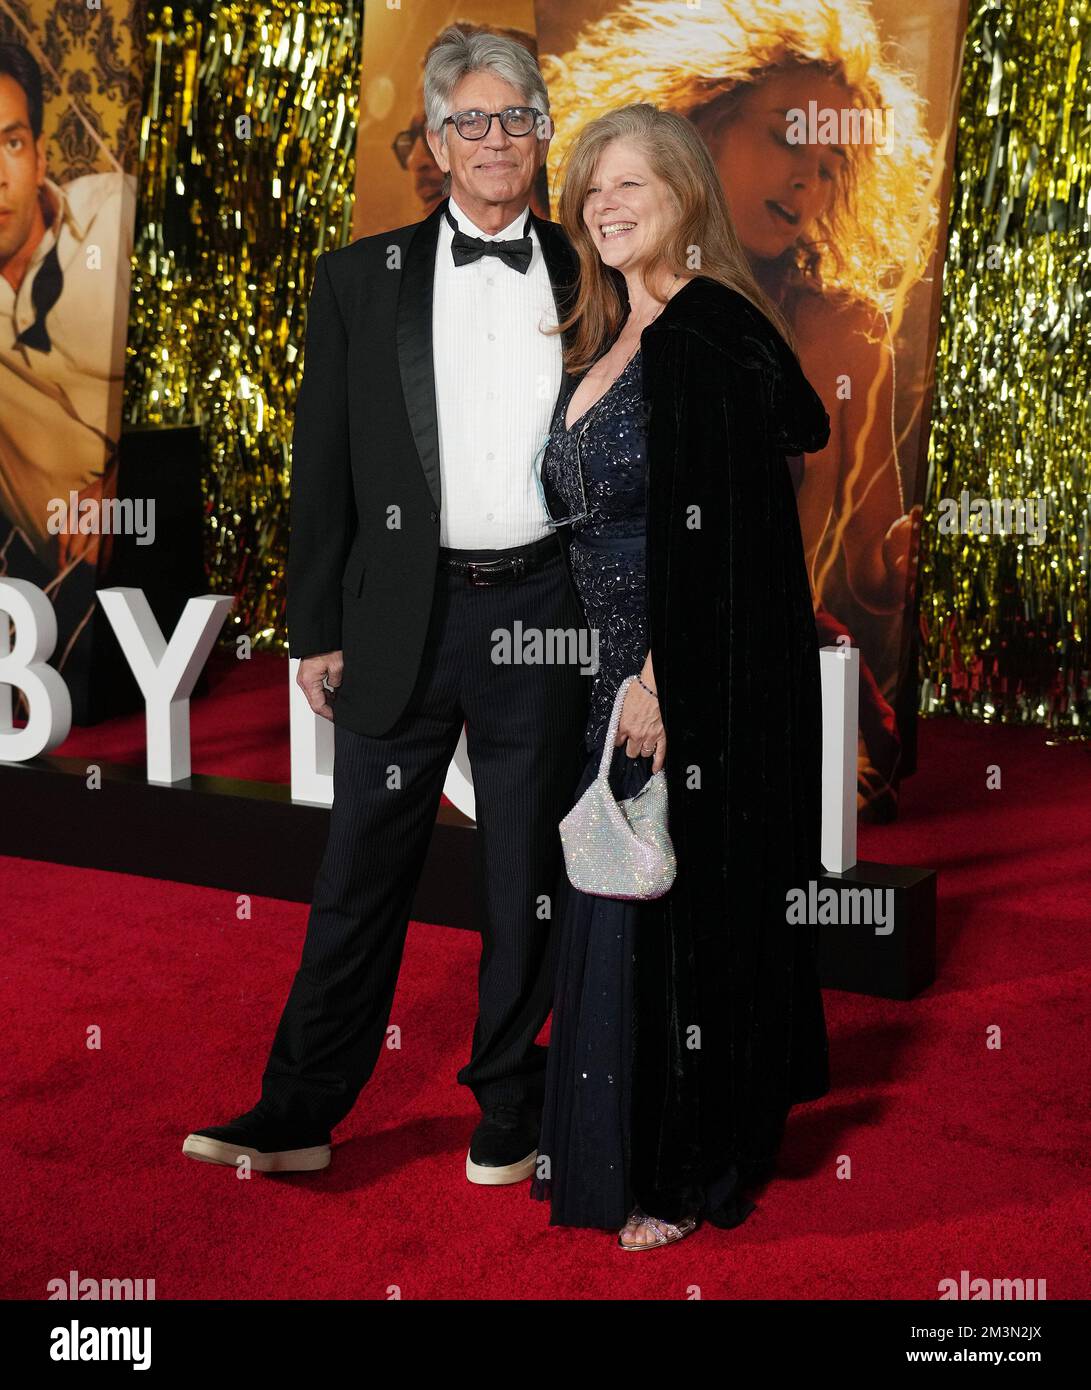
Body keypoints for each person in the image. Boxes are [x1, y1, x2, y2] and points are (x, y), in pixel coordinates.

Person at [184, 27, 588, 1184]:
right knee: (361, 869)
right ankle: (298, 1108)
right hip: (398, 616)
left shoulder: (590, 273)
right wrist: (315, 624)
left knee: (526, 873)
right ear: (435, 141)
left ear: (544, 131)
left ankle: (509, 1108)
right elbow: (322, 468)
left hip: (542, 616)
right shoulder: (360, 278)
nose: (496, 138)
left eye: (517, 116)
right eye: (472, 119)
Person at [528, 103, 831, 1248]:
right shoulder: (604, 338)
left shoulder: (704, 333)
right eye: (590, 193)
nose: (604, 208)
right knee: (621, 906)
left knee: (675, 922)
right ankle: (619, 1148)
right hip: (599, 672)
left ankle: (682, 1166)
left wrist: (658, 677)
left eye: (628, 188)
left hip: (675, 681)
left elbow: (732, 541)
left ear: (683, 198)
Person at [540, 0, 937, 816]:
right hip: (599, 631)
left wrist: (916, 560)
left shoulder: (839, 329)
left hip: (759, 641)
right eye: (787, 141)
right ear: (702, 130)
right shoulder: (594, 304)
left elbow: (866, 557)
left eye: (831, 164)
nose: (807, 176)